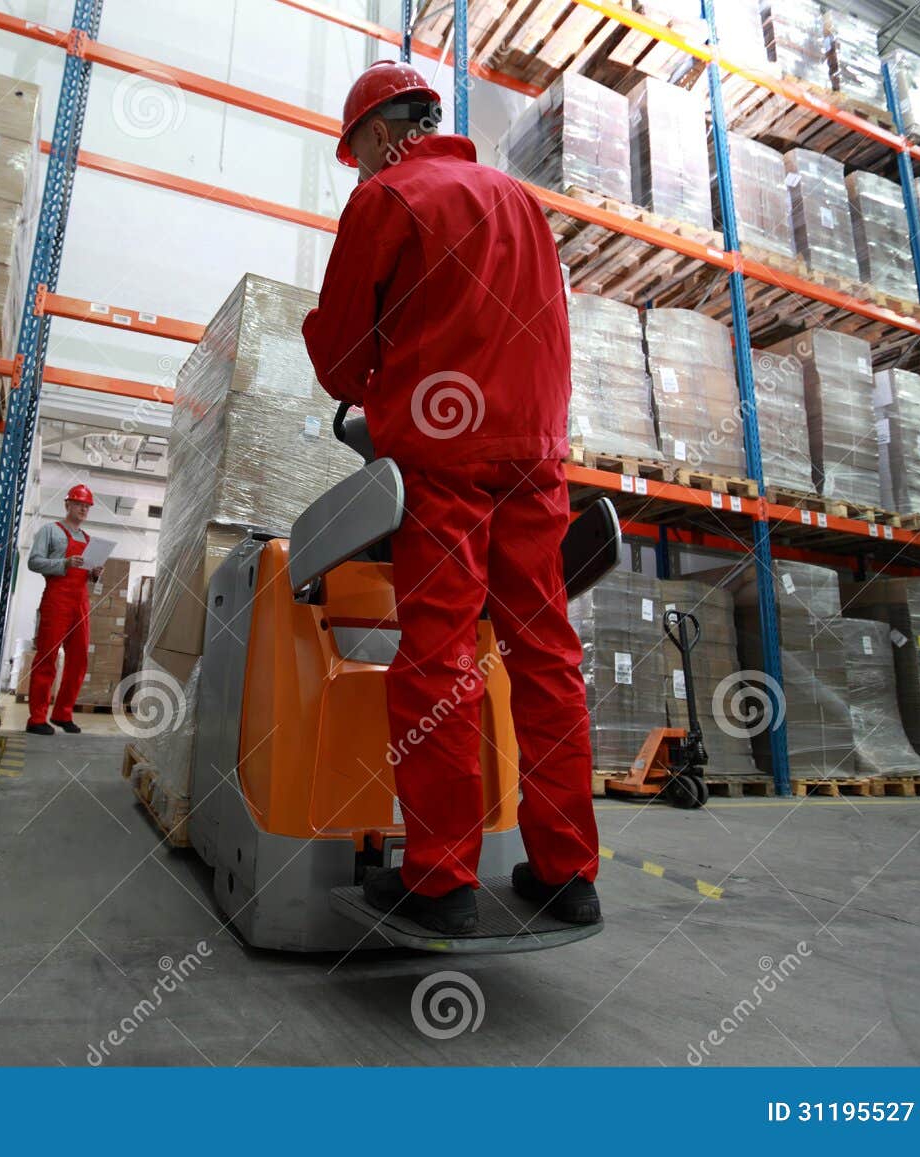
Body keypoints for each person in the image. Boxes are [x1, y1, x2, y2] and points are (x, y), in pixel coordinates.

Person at [301, 61, 600, 936]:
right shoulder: (517, 199)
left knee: (438, 656)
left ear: (379, 133)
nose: (355, 167)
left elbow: (340, 355)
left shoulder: (387, 200)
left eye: (355, 148)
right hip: (536, 455)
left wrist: (375, 375)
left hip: (446, 461)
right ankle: (568, 873)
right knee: (544, 653)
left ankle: (442, 881)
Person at [24, 483, 104, 735]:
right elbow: (34, 562)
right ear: (67, 504)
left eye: (87, 506)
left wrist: (95, 574)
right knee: (47, 657)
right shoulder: (50, 531)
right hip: (56, 600)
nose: (83, 509)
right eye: (79, 504)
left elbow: (87, 575)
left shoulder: (88, 539)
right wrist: (65, 562)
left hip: (80, 602)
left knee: (79, 659)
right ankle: (36, 718)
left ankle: (62, 713)